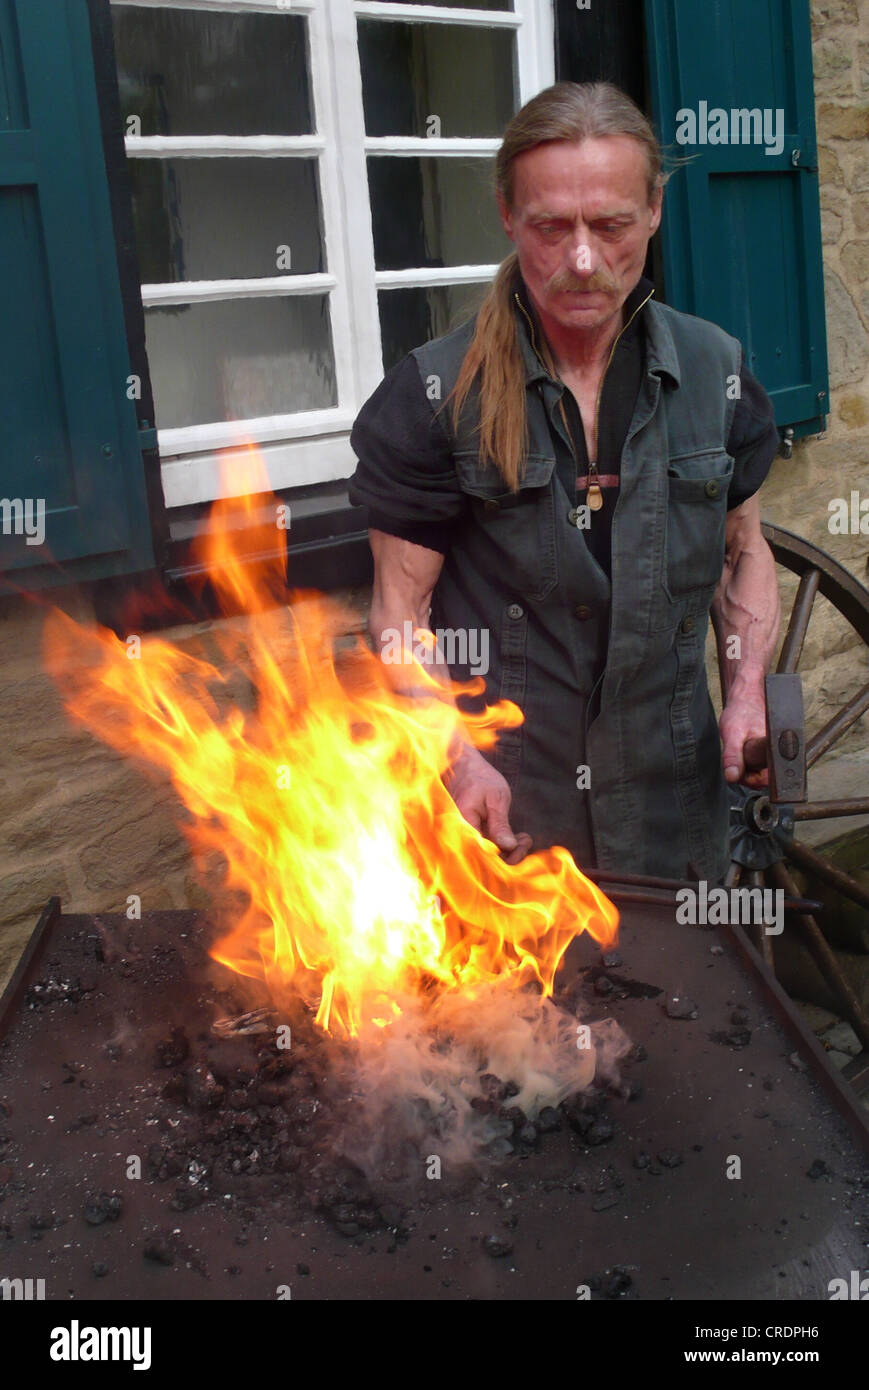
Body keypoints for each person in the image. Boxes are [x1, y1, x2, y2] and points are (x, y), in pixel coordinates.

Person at [348, 81, 781, 885]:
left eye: (611, 225)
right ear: (508, 217)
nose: (582, 261)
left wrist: (747, 694)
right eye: (550, 228)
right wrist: (458, 763)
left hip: (676, 813)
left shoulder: (716, 371)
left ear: (653, 210)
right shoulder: (433, 396)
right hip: (514, 824)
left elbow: (744, 552)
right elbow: (398, 614)